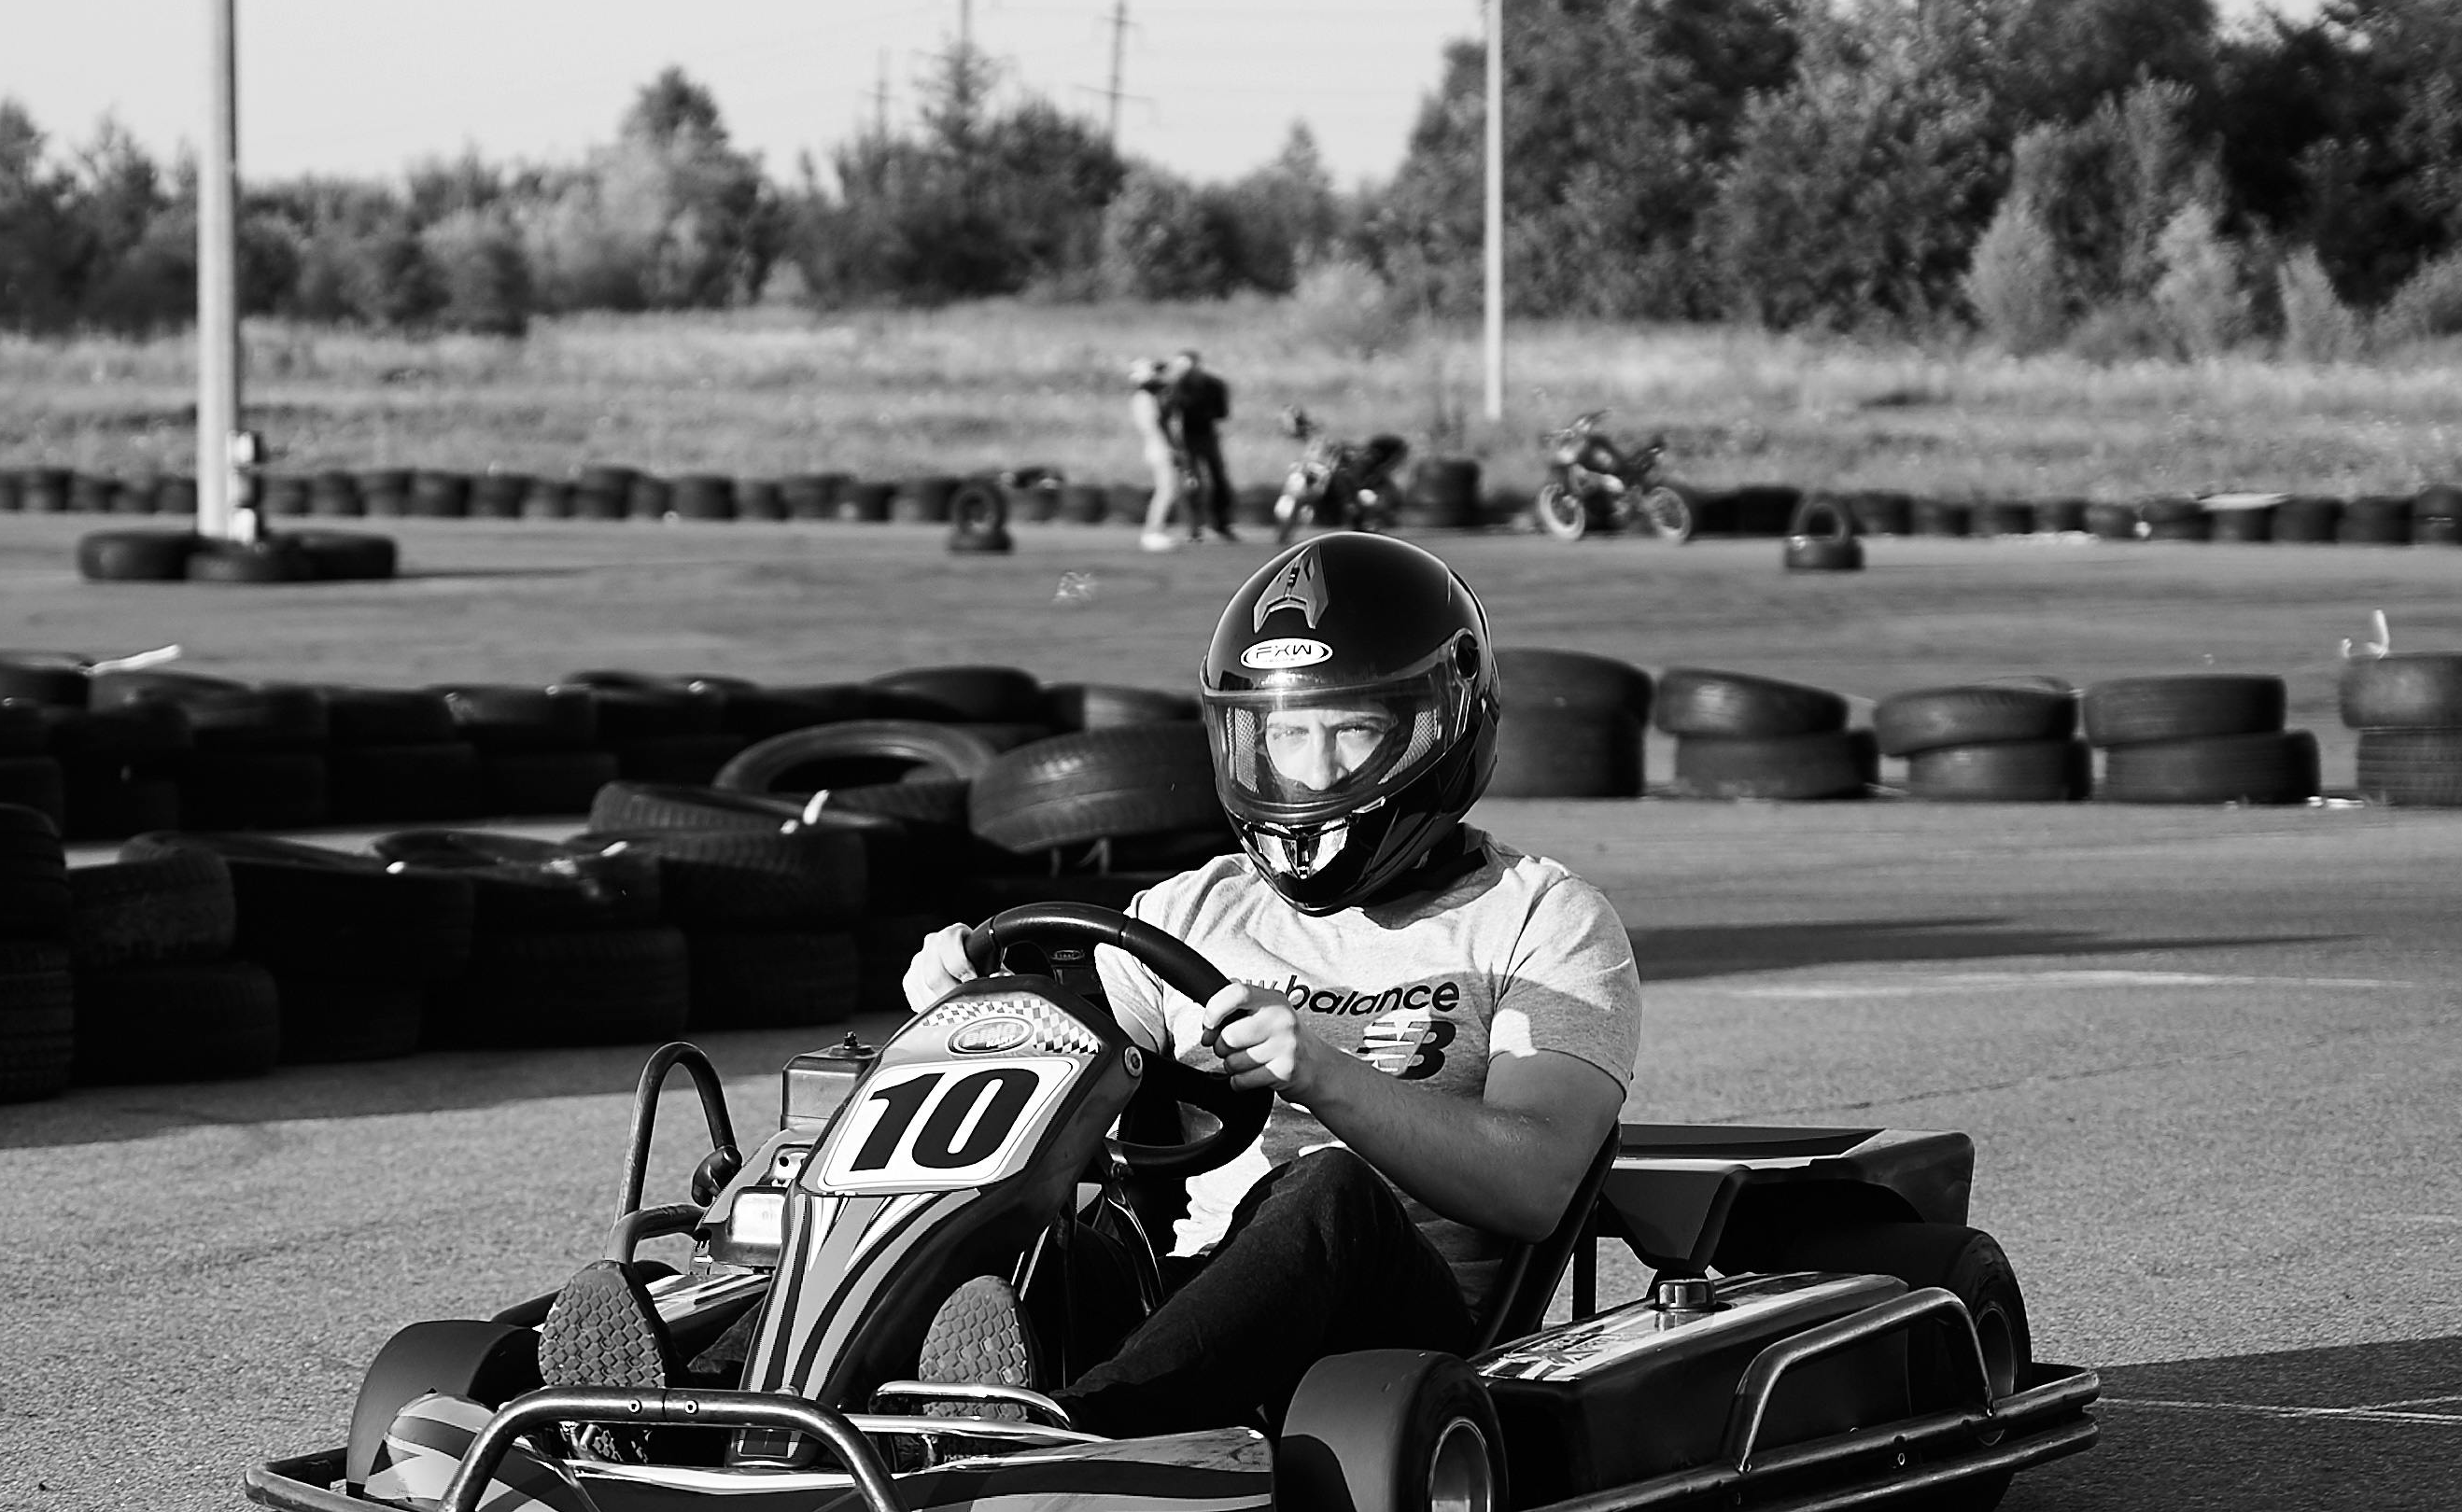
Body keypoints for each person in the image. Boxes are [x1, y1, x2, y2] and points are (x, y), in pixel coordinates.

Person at [539, 532, 1641, 1440]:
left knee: (1325, 1190)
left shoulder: (1543, 919)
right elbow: (1041, 1080)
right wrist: (961, 1016)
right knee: (1044, 1222)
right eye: (1281, 742)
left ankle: (1074, 1434)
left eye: (1347, 736)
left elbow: (1539, 1178)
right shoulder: (1191, 912)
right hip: (1177, 1294)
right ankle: (710, 1402)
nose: (1308, 779)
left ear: (1440, 729)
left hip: (1398, 1329)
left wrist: (1327, 1077)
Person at [1162, 346, 1239, 544]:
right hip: (1185, 438)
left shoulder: (1214, 385)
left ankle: (1222, 524)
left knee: (1219, 480)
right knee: (1192, 483)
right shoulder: (1176, 386)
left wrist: (1202, 411)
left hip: (1207, 435)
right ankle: (1194, 527)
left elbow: (1222, 412)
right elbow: (1167, 412)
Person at [1127, 357, 1189, 551]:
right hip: (1159, 448)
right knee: (1166, 490)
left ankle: (1157, 530)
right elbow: (1152, 427)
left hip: (1162, 447)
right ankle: (1152, 532)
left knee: (1170, 490)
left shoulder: (1154, 397)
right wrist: (1169, 448)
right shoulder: (1144, 399)